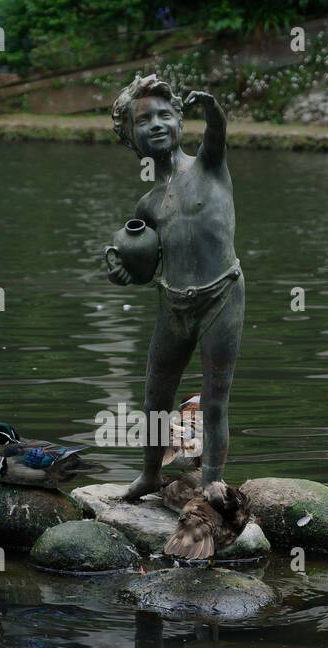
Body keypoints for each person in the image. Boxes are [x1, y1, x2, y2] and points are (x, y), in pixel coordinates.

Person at [106, 74, 243, 500]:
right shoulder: (147, 205)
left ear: (182, 122)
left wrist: (213, 108)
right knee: (155, 396)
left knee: (215, 397)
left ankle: (212, 480)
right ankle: (149, 473)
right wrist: (123, 271)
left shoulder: (208, 165)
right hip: (172, 303)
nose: (157, 124)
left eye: (166, 115)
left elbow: (218, 133)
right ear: (130, 138)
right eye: (144, 120)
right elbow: (144, 265)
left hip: (221, 296)